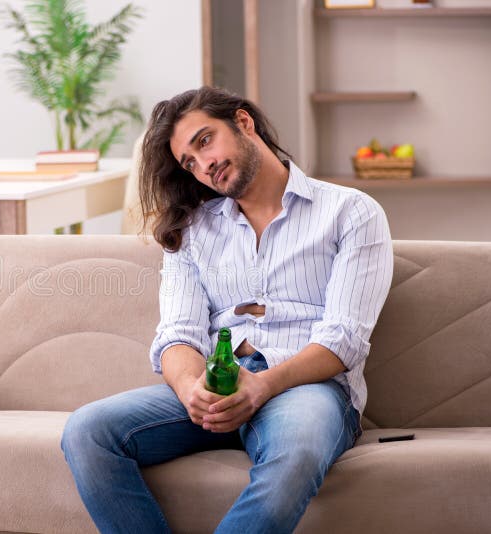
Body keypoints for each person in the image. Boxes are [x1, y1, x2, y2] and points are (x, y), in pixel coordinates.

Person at [61, 86, 393, 534]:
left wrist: (261, 386)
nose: (204, 165)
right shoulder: (191, 232)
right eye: (190, 163)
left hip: (307, 388)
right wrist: (191, 389)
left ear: (243, 122)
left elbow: (344, 339)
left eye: (205, 141)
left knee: (296, 449)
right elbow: (178, 333)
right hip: (216, 383)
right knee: (88, 431)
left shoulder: (350, 213)